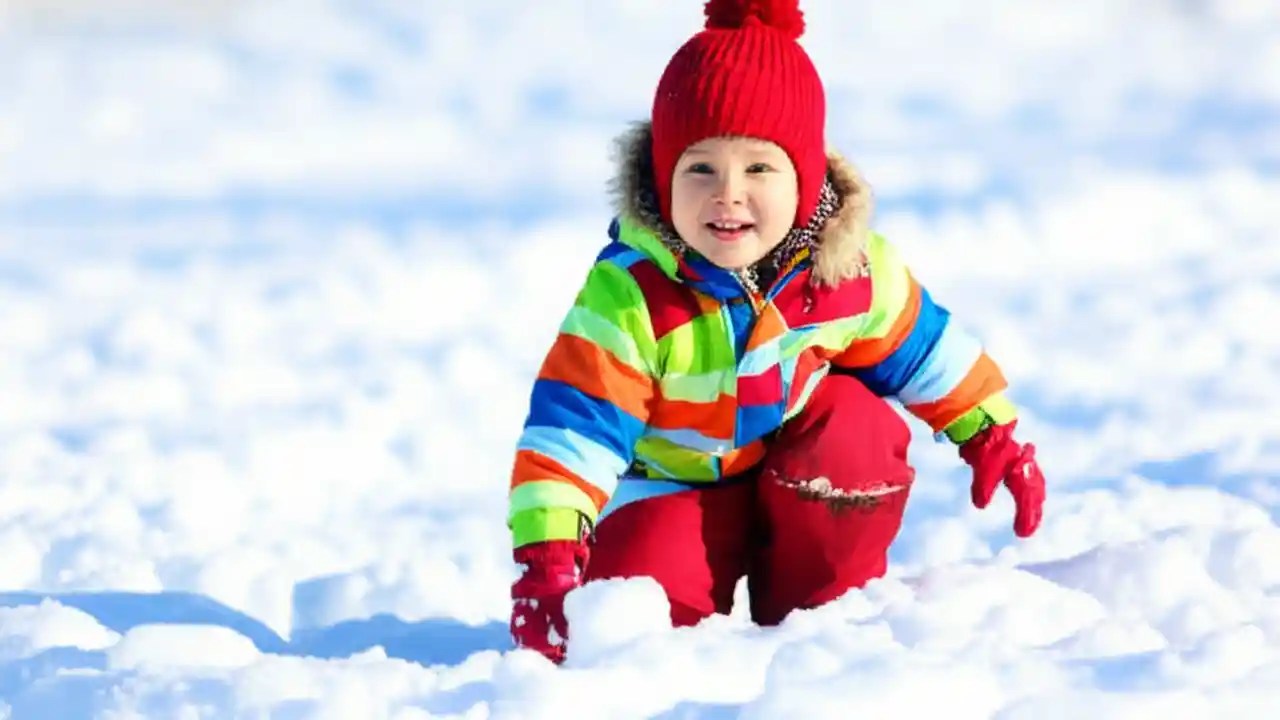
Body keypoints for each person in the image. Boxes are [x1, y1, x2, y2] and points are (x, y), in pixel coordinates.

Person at [506, 0, 1046, 664]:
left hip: (798, 478)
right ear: (664, 178)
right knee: (631, 623)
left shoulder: (845, 269)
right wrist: (549, 557)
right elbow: (574, 428)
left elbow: (924, 348)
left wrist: (991, 432)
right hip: (671, 487)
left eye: (759, 168)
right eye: (700, 168)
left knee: (857, 429)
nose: (727, 194)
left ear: (804, 179)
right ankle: (664, 610)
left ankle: (814, 620)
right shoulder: (632, 294)